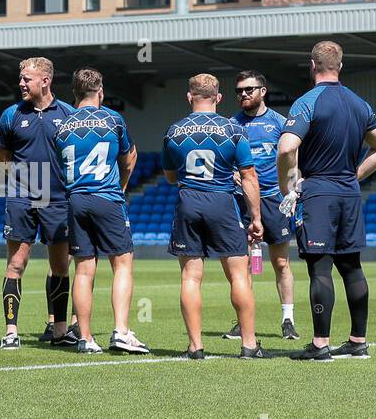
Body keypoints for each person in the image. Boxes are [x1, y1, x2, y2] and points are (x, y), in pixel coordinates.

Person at [276, 41, 376, 361]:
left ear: (312, 66)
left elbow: (286, 148)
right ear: (340, 66)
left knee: (320, 269)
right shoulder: (359, 103)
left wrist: (288, 183)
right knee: (352, 267)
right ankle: (358, 341)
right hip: (349, 193)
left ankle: (319, 344)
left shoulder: (308, 101)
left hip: (318, 194)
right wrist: (355, 176)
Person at [163, 73, 265, 360]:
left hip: (188, 202)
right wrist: (255, 218)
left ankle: (195, 347)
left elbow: (170, 177)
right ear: (218, 98)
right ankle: (248, 345)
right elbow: (249, 175)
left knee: (191, 278)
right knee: (238, 276)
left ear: (189, 97)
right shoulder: (233, 130)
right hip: (222, 203)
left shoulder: (174, 131)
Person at [54, 68, 147, 355]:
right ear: (101, 92)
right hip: (107, 197)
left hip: (76, 200)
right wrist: (121, 185)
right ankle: (120, 330)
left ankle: (85, 337)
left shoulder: (63, 126)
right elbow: (129, 156)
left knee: (83, 269)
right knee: (122, 263)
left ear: (75, 94)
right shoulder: (113, 119)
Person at [0, 57, 78, 350]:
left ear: (45, 81)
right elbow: (2, 158)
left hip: (58, 200)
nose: (21, 84)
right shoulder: (10, 116)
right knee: (16, 264)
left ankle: (60, 330)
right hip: (22, 199)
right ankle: (11, 331)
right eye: (21, 78)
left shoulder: (69, 114)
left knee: (59, 267)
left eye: (26, 79)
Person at [226, 69, 298, 341]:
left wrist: (293, 191)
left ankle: (288, 319)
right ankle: (243, 322)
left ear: (263, 91)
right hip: (242, 201)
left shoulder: (280, 123)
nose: (243, 94)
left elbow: (293, 160)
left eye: (248, 89)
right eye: (239, 91)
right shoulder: (231, 125)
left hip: (273, 200)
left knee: (280, 262)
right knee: (243, 265)